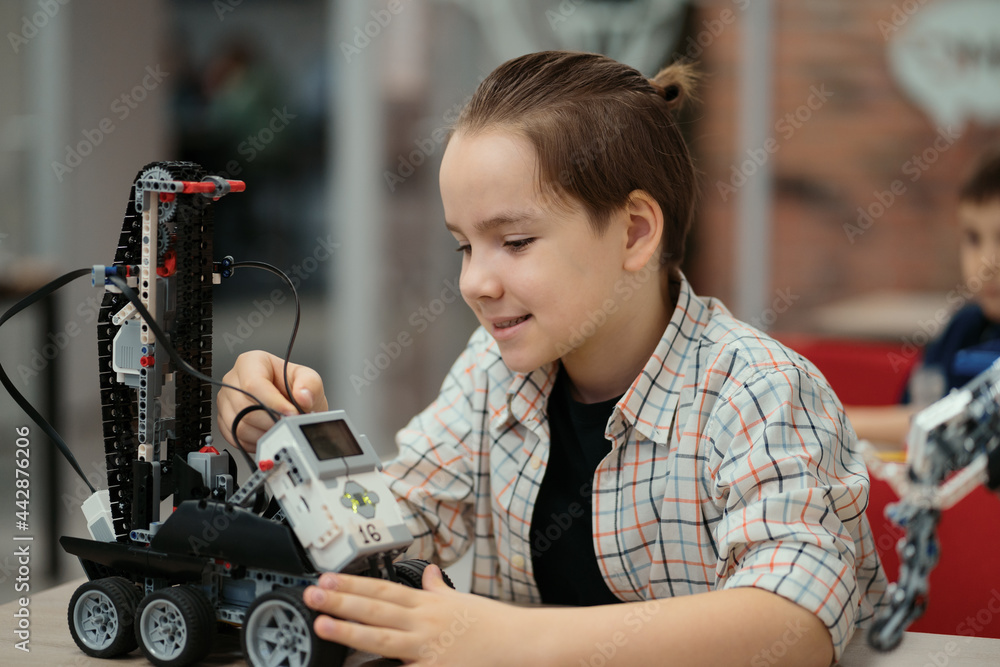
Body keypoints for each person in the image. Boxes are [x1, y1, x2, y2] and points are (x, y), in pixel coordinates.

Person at [217, 51, 885, 666]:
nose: (475, 281)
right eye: (463, 246)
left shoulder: (757, 389)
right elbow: (389, 530)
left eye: (513, 240)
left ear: (634, 232)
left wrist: (507, 636)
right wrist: (279, 438)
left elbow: (795, 625)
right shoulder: (493, 373)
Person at [847, 148, 1000, 447]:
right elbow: (915, 415)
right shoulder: (961, 328)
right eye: (972, 238)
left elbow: (968, 429)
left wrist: (847, 422)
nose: (987, 262)